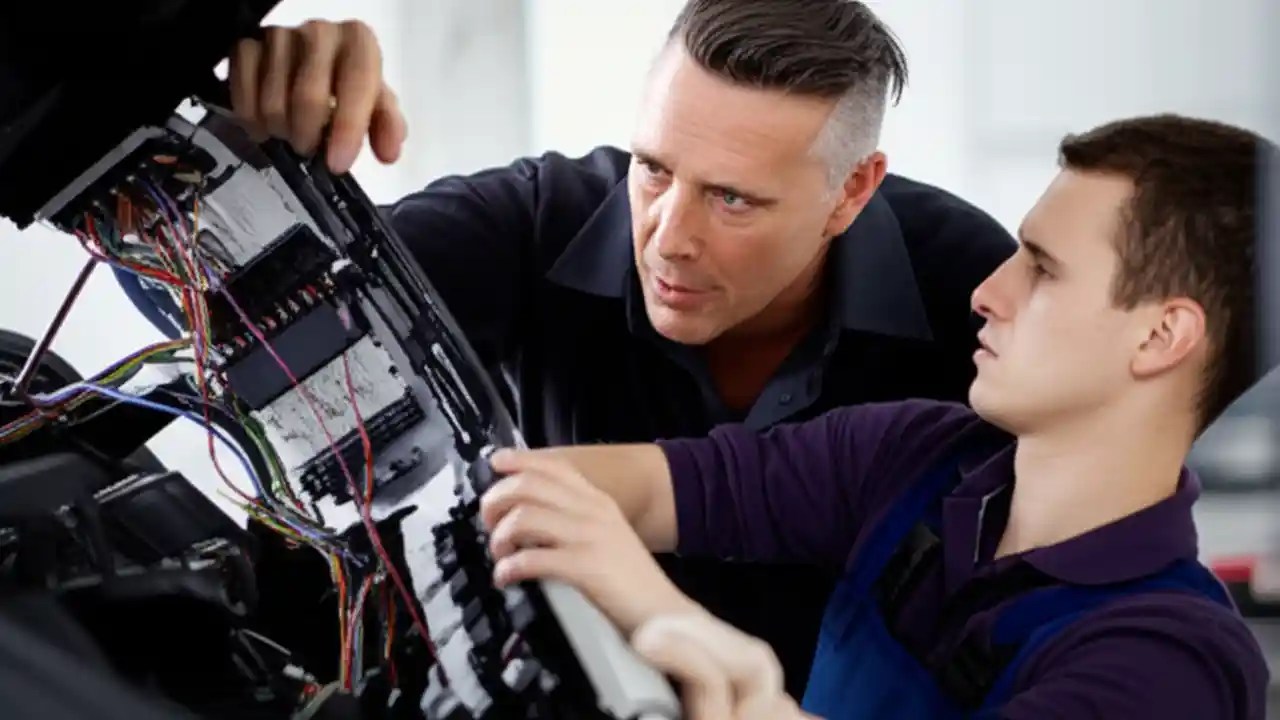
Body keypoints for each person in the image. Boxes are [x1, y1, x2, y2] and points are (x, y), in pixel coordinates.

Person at [116, 0, 1016, 691]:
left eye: (733, 199)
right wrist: (234, 152)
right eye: (655, 168)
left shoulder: (975, 291)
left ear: (853, 192)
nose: (667, 236)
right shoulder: (538, 219)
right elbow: (248, 317)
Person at [476, 113, 1274, 719]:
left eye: (1043, 270)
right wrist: (488, 493)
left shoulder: (1174, 662)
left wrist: (689, 636)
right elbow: (657, 489)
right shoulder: (919, 454)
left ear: (1162, 335)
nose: (987, 292)